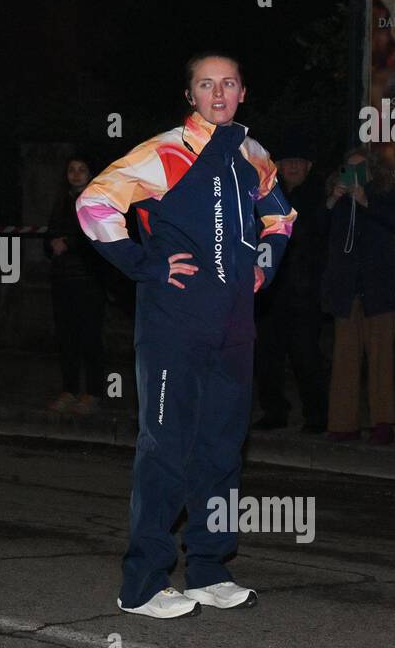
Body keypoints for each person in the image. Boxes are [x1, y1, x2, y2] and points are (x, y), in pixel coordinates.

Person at [77, 53, 296, 619]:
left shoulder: (253, 154)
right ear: (190, 94)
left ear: (243, 92)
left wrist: (264, 266)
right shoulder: (165, 151)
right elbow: (95, 202)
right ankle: (143, 583)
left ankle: (208, 567)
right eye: (207, 84)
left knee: (222, 452)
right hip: (174, 326)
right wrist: (143, 263)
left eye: (228, 83)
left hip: (234, 328)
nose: (218, 93)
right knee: (166, 450)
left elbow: (282, 217)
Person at [322, 146, 395, 443]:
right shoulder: (338, 201)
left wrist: (366, 201)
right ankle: (343, 425)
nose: (355, 173)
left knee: (381, 359)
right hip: (346, 291)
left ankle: (383, 423)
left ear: (371, 170)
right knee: (344, 359)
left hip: (379, 291)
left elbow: (394, 221)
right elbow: (316, 227)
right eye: (349, 167)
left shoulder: (385, 194)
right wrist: (333, 199)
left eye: (360, 167)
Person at [253, 134, 328, 433]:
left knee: (306, 356)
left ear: (309, 166)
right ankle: (274, 411)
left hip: (306, 291)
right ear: (279, 166)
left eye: (299, 161)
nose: (293, 166)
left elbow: (321, 233)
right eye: (288, 162)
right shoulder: (267, 193)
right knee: (267, 357)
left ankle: (316, 415)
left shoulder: (321, 194)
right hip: (272, 290)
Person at [45, 153, 109, 415]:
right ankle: (69, 389)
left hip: (89, 279)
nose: (76, 174)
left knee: (90, 336)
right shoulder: (61, 202)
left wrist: (68, 244)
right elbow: (49, 235)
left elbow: (97, 235)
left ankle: (93, 392)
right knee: (67, 337)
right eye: (72, 169)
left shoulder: (97, 199)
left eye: (82, 169)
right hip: (63, 279)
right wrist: (52, 244)